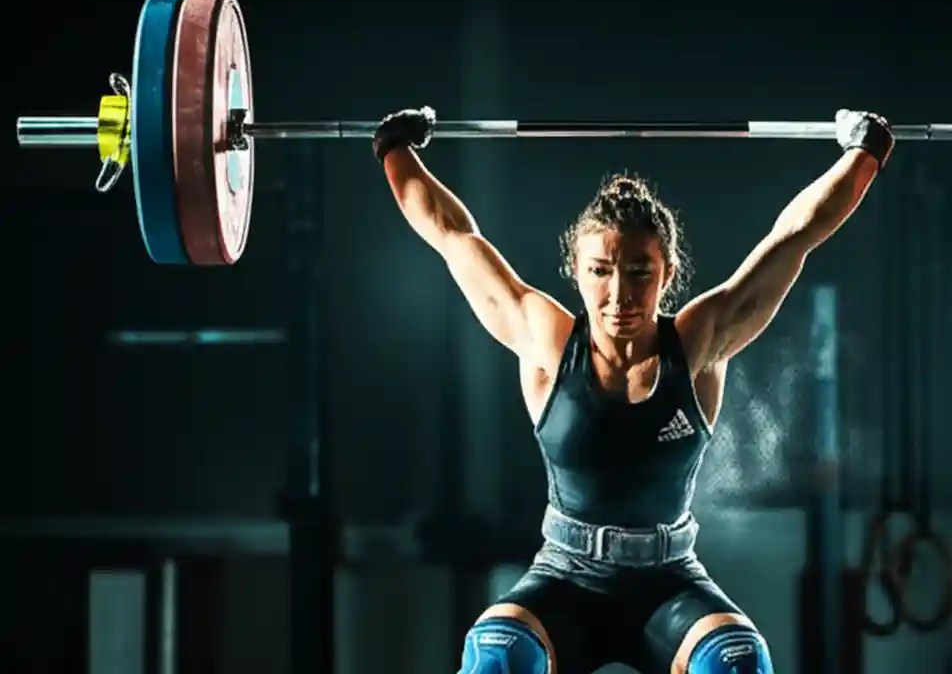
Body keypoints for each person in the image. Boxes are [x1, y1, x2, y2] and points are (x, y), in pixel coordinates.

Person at [373, 106, 894, 674]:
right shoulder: (545, 339)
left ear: (666, 273)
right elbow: (452, 236)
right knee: (497, 658)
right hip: (563, 580)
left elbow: (796, 237)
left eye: (639, 272)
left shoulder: (697, 344)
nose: (619, 292)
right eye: (601, 270)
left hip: (669, 585)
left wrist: (862, 155)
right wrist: (395, 149)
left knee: (738, 663)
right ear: (576, 270)